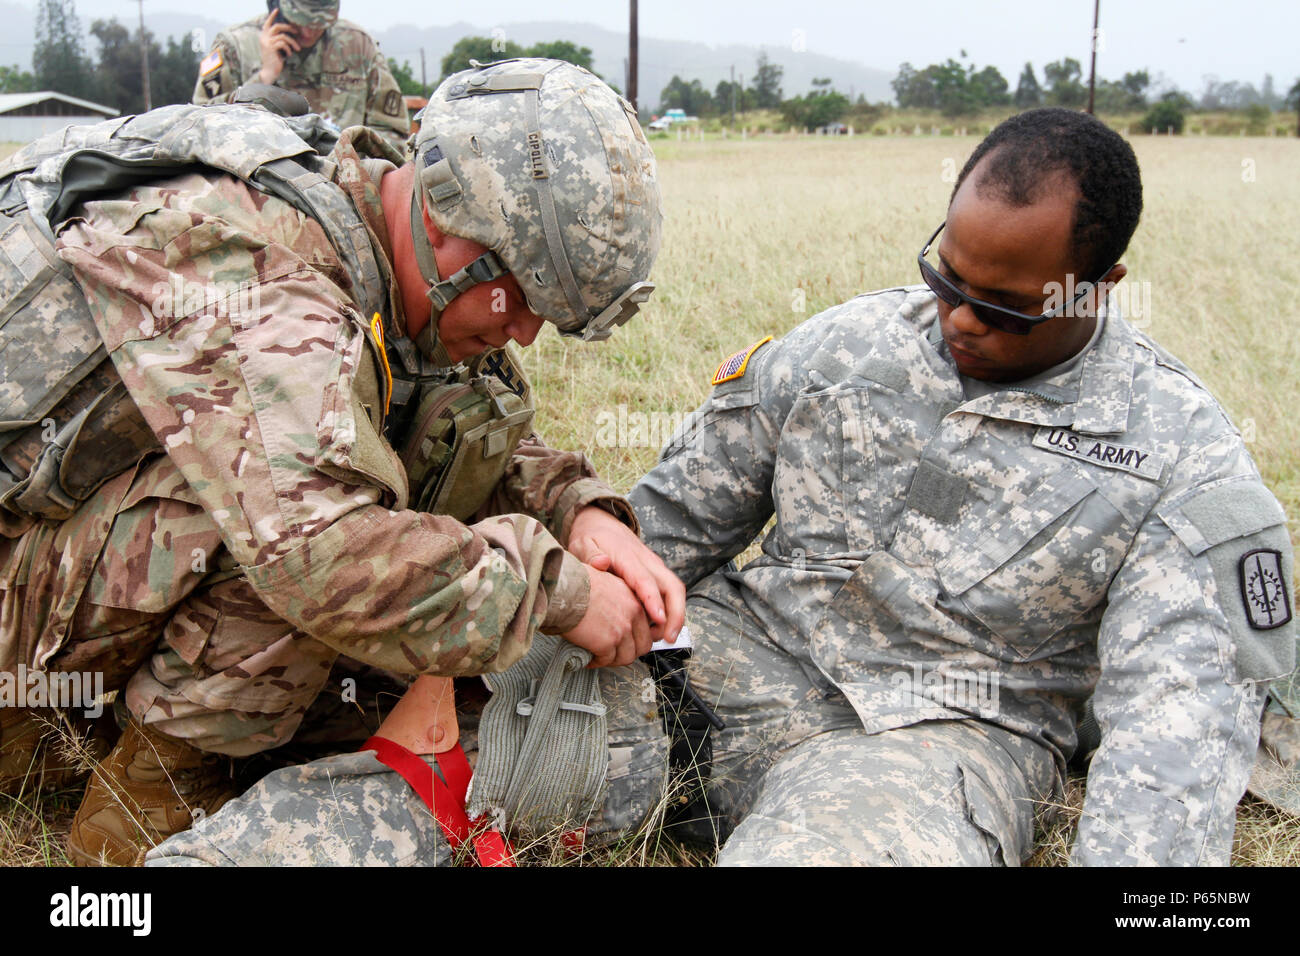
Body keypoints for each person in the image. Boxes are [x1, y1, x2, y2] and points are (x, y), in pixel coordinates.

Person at [0, 57, 681, 866]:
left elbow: (472, 420)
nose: (525, 332)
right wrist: (557, 592)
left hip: (64, 586)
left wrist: (580, 511)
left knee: (395, 575)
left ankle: (155, 733)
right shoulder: (258, 264)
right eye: (523, 296)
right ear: (448, 224)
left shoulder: (382, 240)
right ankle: (144, 808)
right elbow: (319, 554)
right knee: (289, 527)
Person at [623, 106, 1296, 866]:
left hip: (937, 744)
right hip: (734, 670)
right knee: (506, 715)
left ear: (1097, 288)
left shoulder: (1179, 454)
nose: (960, 321)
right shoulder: (843, 347)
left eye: (1005, 308)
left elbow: (1176, 729)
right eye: (946, 277)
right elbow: (664, 528)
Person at [193, 0, 410, 149]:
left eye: (320, 23)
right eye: (300, 20)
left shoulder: (359, 46)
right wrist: (264, 77)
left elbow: (392, 133)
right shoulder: (235, 47)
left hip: (344, 190)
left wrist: (354, 164)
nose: (309, 32)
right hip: (257, 192)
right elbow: (198, 125)